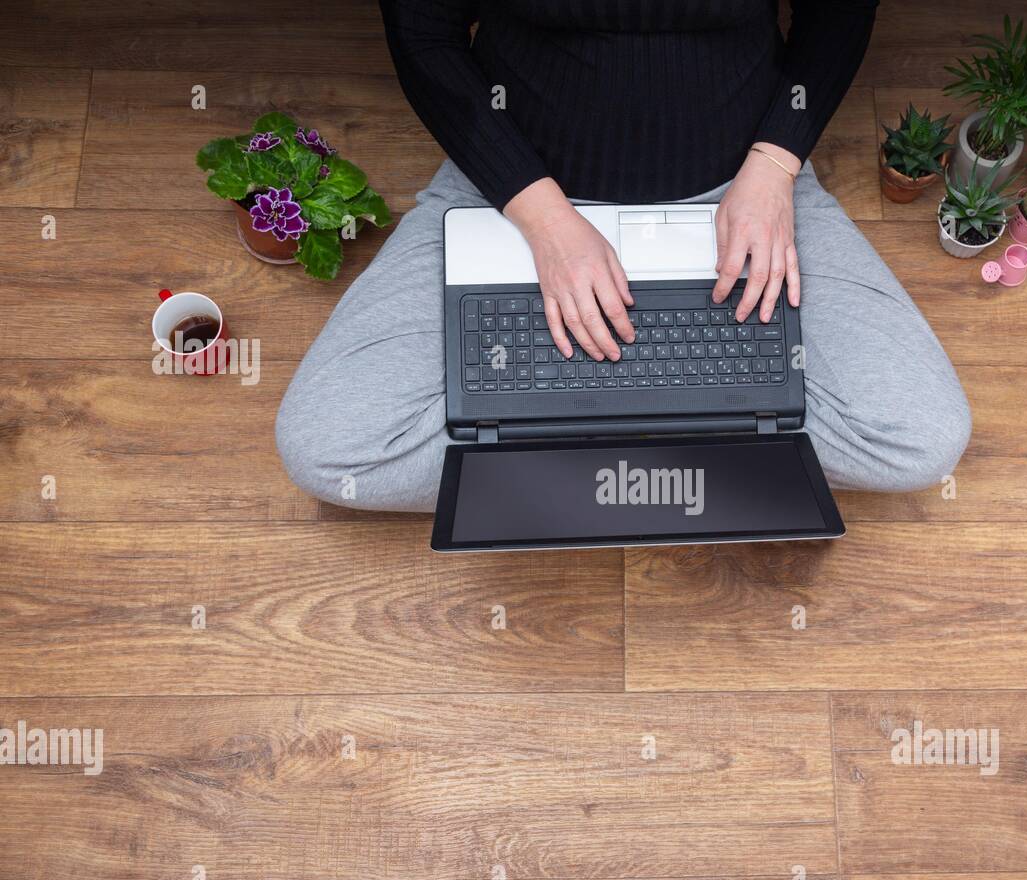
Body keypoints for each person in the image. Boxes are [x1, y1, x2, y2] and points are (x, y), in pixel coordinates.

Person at [275, 0, 971, 511]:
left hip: (742, 184)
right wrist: (543, 218)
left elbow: (839, 13)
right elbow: (422, 31)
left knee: (920, 440)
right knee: (330, 447)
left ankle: (603, 467)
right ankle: (671, 475)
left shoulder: (762, 177)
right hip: (514, 188)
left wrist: (773, 166)